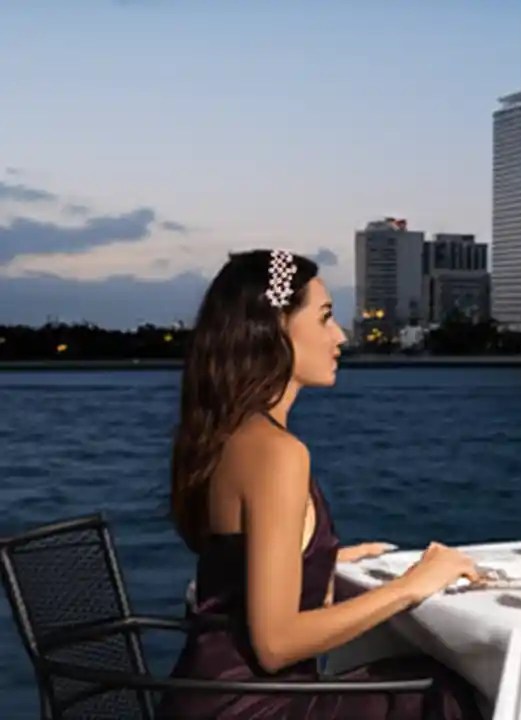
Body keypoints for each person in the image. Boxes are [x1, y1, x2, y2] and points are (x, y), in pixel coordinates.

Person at [162, 249, 485, 719]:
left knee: (418, 675)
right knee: (442, 692)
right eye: (326, 318)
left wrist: (318, 559)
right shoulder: (277, 454)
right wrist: (411, 587)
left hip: (204, 695)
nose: (340, 336)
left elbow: (233, 565)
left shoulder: (227, 435)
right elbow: (275, 645)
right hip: (254, 708)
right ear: (275, 329)